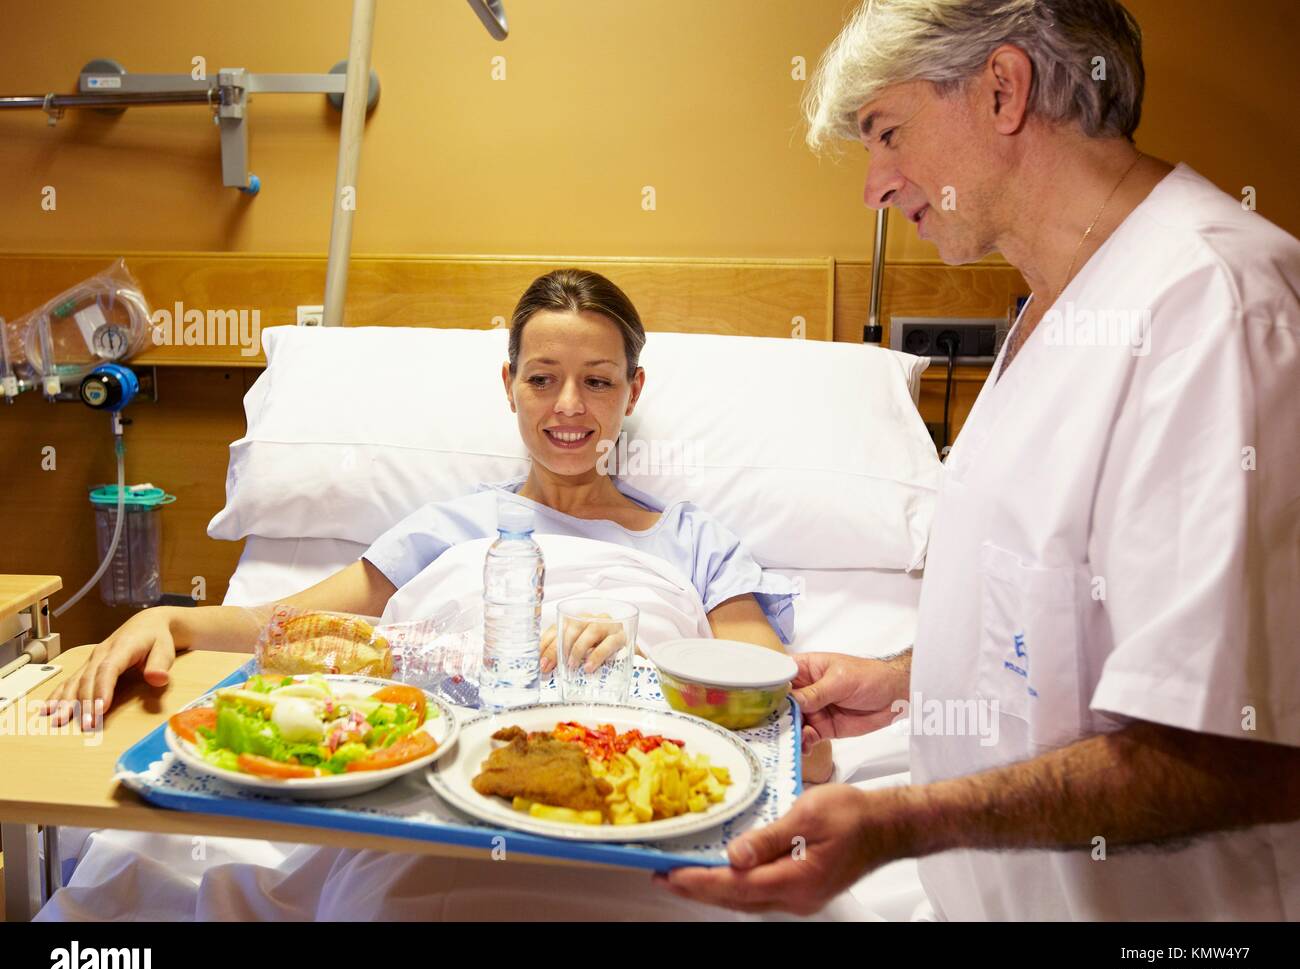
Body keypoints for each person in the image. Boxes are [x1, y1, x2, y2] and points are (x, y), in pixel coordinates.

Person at [661, 0, 1300, 918]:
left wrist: (903, 823)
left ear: (1003, 89)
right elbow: (1062, 613)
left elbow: (1229, 754)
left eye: (887, 132)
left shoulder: (1212, 308)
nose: (874, 186)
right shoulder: (1055, 307)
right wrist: (907, 675)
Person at [41, 267, 833, 782]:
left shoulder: (693, 541)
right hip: (453, 767)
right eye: (542, 378)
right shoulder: (450, 527)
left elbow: (766, 684)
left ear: (633, 390)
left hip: (636, 774)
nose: (569, 407)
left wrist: (644, 654)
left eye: (597, 381)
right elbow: (287, 627)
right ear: (509, 384)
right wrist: (168, 619)